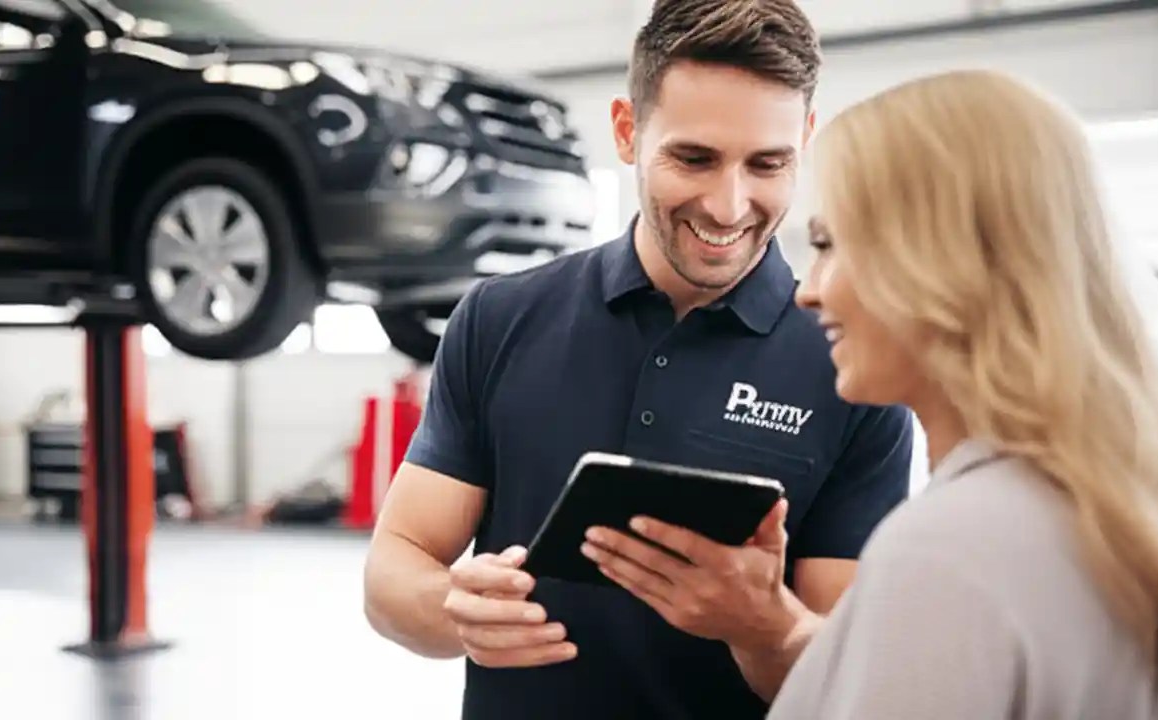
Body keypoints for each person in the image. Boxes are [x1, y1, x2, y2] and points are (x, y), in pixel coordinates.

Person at [362, 1, 914, 717]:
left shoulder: (857, 363)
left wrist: (765, 627)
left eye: (768, 164)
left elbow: (846, 679)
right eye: (694, 158)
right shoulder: (499, 319)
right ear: (627, 131)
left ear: (804, 141)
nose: (729, 205)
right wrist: (451, 609)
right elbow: (393, 570)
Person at [768, 68, 1158, 719]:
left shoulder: (948, 550)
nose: (807, 290)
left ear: (935, 260)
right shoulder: (1111, 507)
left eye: (829, 243)